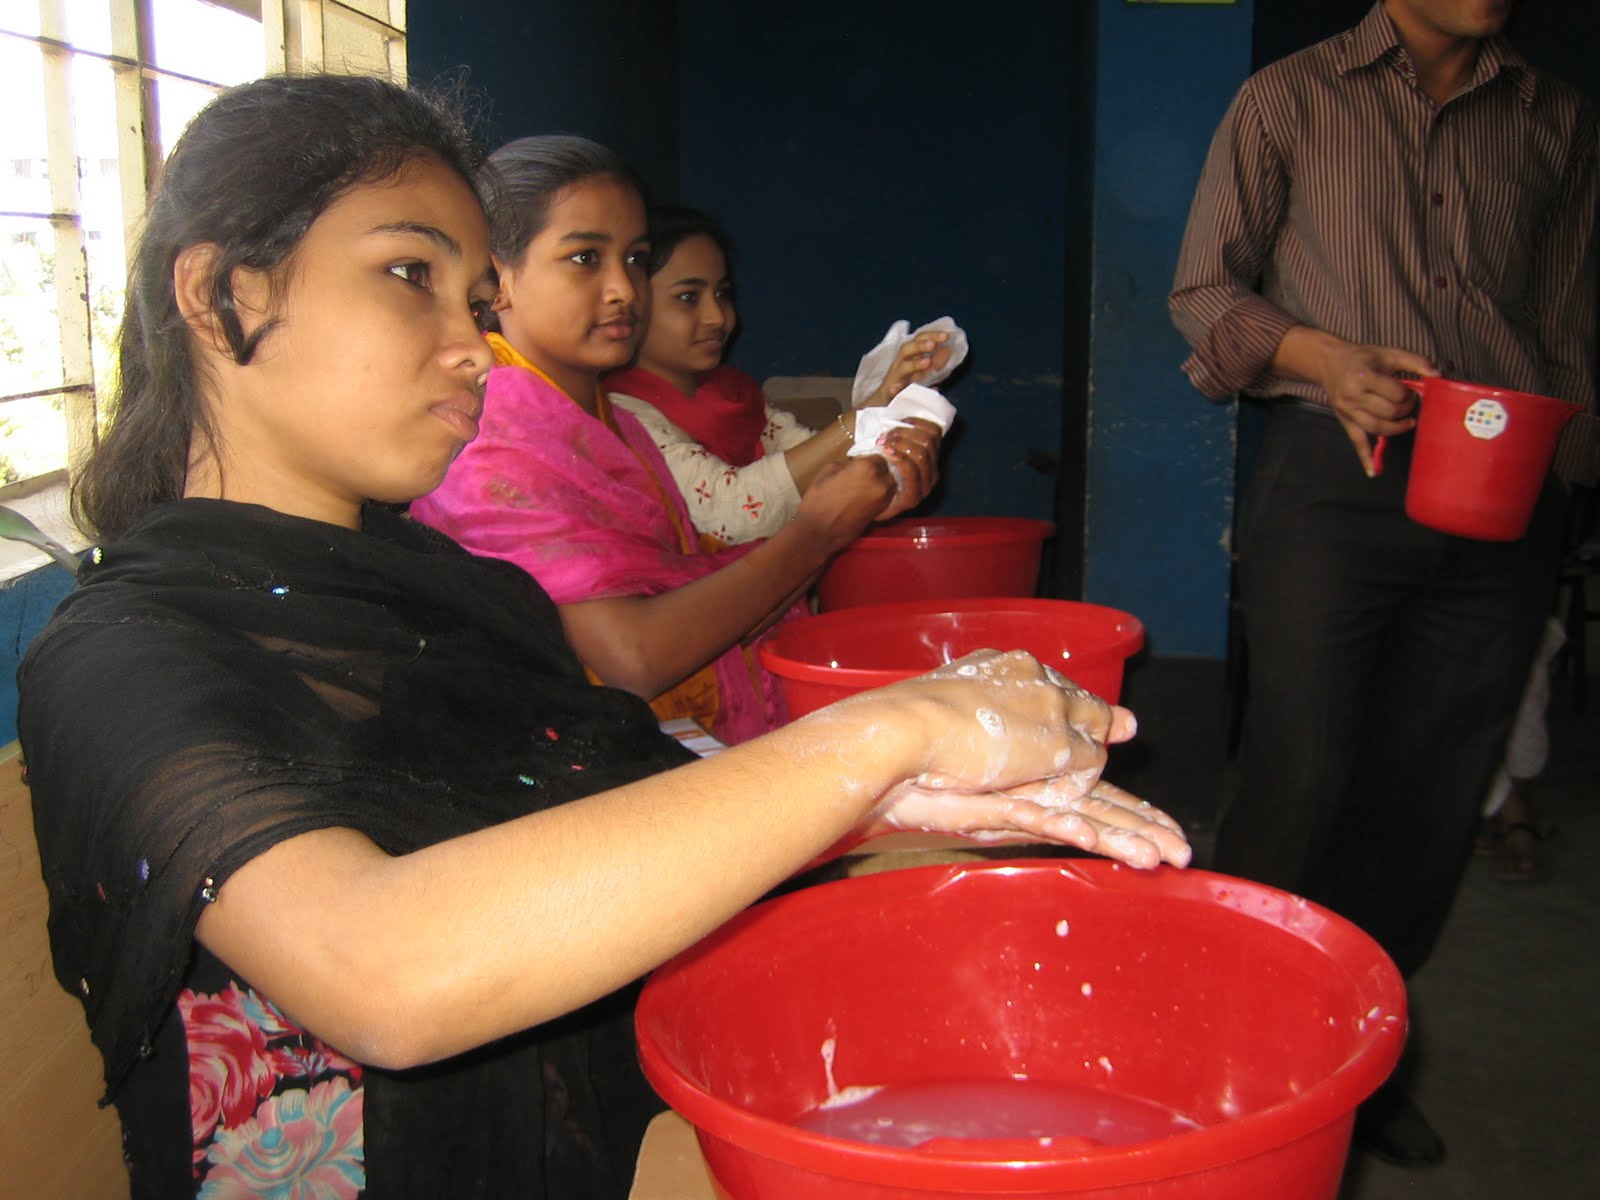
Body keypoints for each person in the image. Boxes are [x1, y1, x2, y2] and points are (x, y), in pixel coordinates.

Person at [17, 74, 1191, 1199]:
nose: (474, 346)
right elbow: (382, 968)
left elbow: (608, 812)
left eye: (478, 303)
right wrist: (873, 741)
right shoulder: (122, 651)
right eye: (406, 274)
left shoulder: (460, 593)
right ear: (223, 293)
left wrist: (884, 802)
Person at [1169, 0, 1597, 1166]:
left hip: (1507, 482)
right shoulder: (1291, 98)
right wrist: (1321, 356)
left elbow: (1566, 330)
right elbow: (1203, 289)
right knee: (1300, 772)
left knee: (1430, 795)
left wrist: (1565, 477)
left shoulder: (1555, 120)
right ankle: (1221, 1054)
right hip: (1334, 475)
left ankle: (1360, 1061)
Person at [408, 138, 941, 745]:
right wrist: (819, 530)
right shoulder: (489, 439)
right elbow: (633, 659)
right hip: (564, 781)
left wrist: (852, 514)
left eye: (635, 259)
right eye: (585, 258)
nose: (623, 290)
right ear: (497, 280)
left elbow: (699, 598)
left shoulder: (614, 424)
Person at [606, 204, 954, 544]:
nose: (717, 316)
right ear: (632, 304)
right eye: (687, 297)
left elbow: (821, 466)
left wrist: (894, 455)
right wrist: (868, 411)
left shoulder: (733, 395)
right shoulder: (619, 414)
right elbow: (730, 510)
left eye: (722, 294)